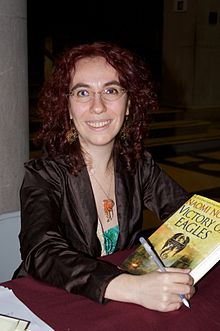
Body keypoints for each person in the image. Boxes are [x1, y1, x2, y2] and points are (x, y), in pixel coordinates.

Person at [16, 41, 195, 312]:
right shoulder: (44, 175)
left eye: (110, 90)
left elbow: (189, 217)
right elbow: (41, 252)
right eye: (83, 93)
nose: (98, 107)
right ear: (67, 107)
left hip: (116, 304)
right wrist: (132, 287)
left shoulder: (138, 166)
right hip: (52, 301)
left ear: (128, 104)